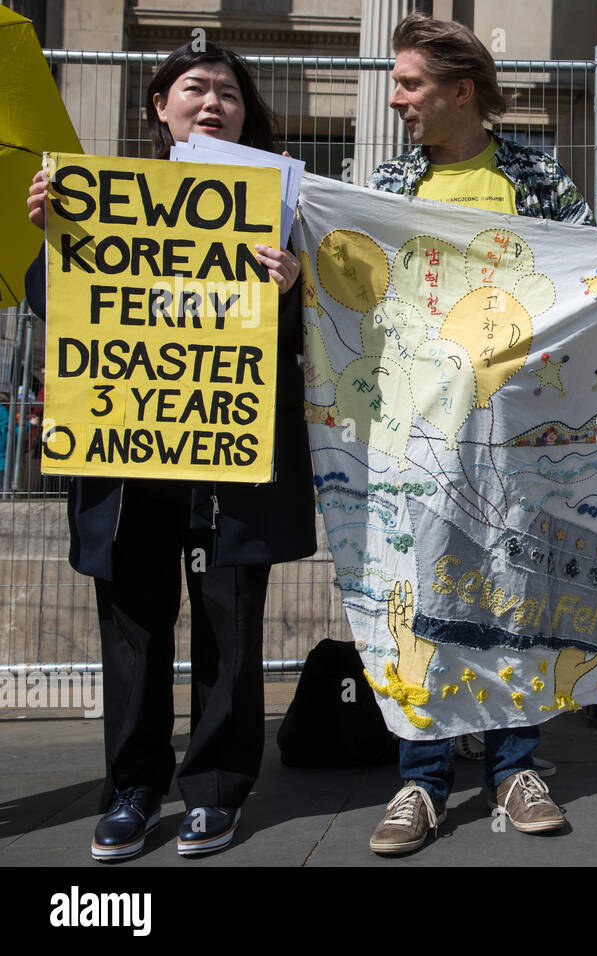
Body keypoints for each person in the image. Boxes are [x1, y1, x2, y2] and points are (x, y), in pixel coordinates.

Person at [364, 14, 597, 855]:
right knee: (420, 596)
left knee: (519, 591)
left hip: (522, 435)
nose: (397, 98)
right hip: (416, 432)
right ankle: (420, 779)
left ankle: (515, 768)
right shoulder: (387, 182)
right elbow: (356, 283)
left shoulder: (534, 177)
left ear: (460, 90)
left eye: (411, 83)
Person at [24, 42, 317, 860]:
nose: (213, 103)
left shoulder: (279, 205)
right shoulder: (103, 198)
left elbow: (311, 338)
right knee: (133, 631)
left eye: (228, 92)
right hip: (129, 463)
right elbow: (64, 314)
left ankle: (217, 790)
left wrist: (292, 285)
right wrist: (57, 236)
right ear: (160, 106)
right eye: (195, 88)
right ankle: (131, 789)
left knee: (228, 630)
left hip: (227, 463)